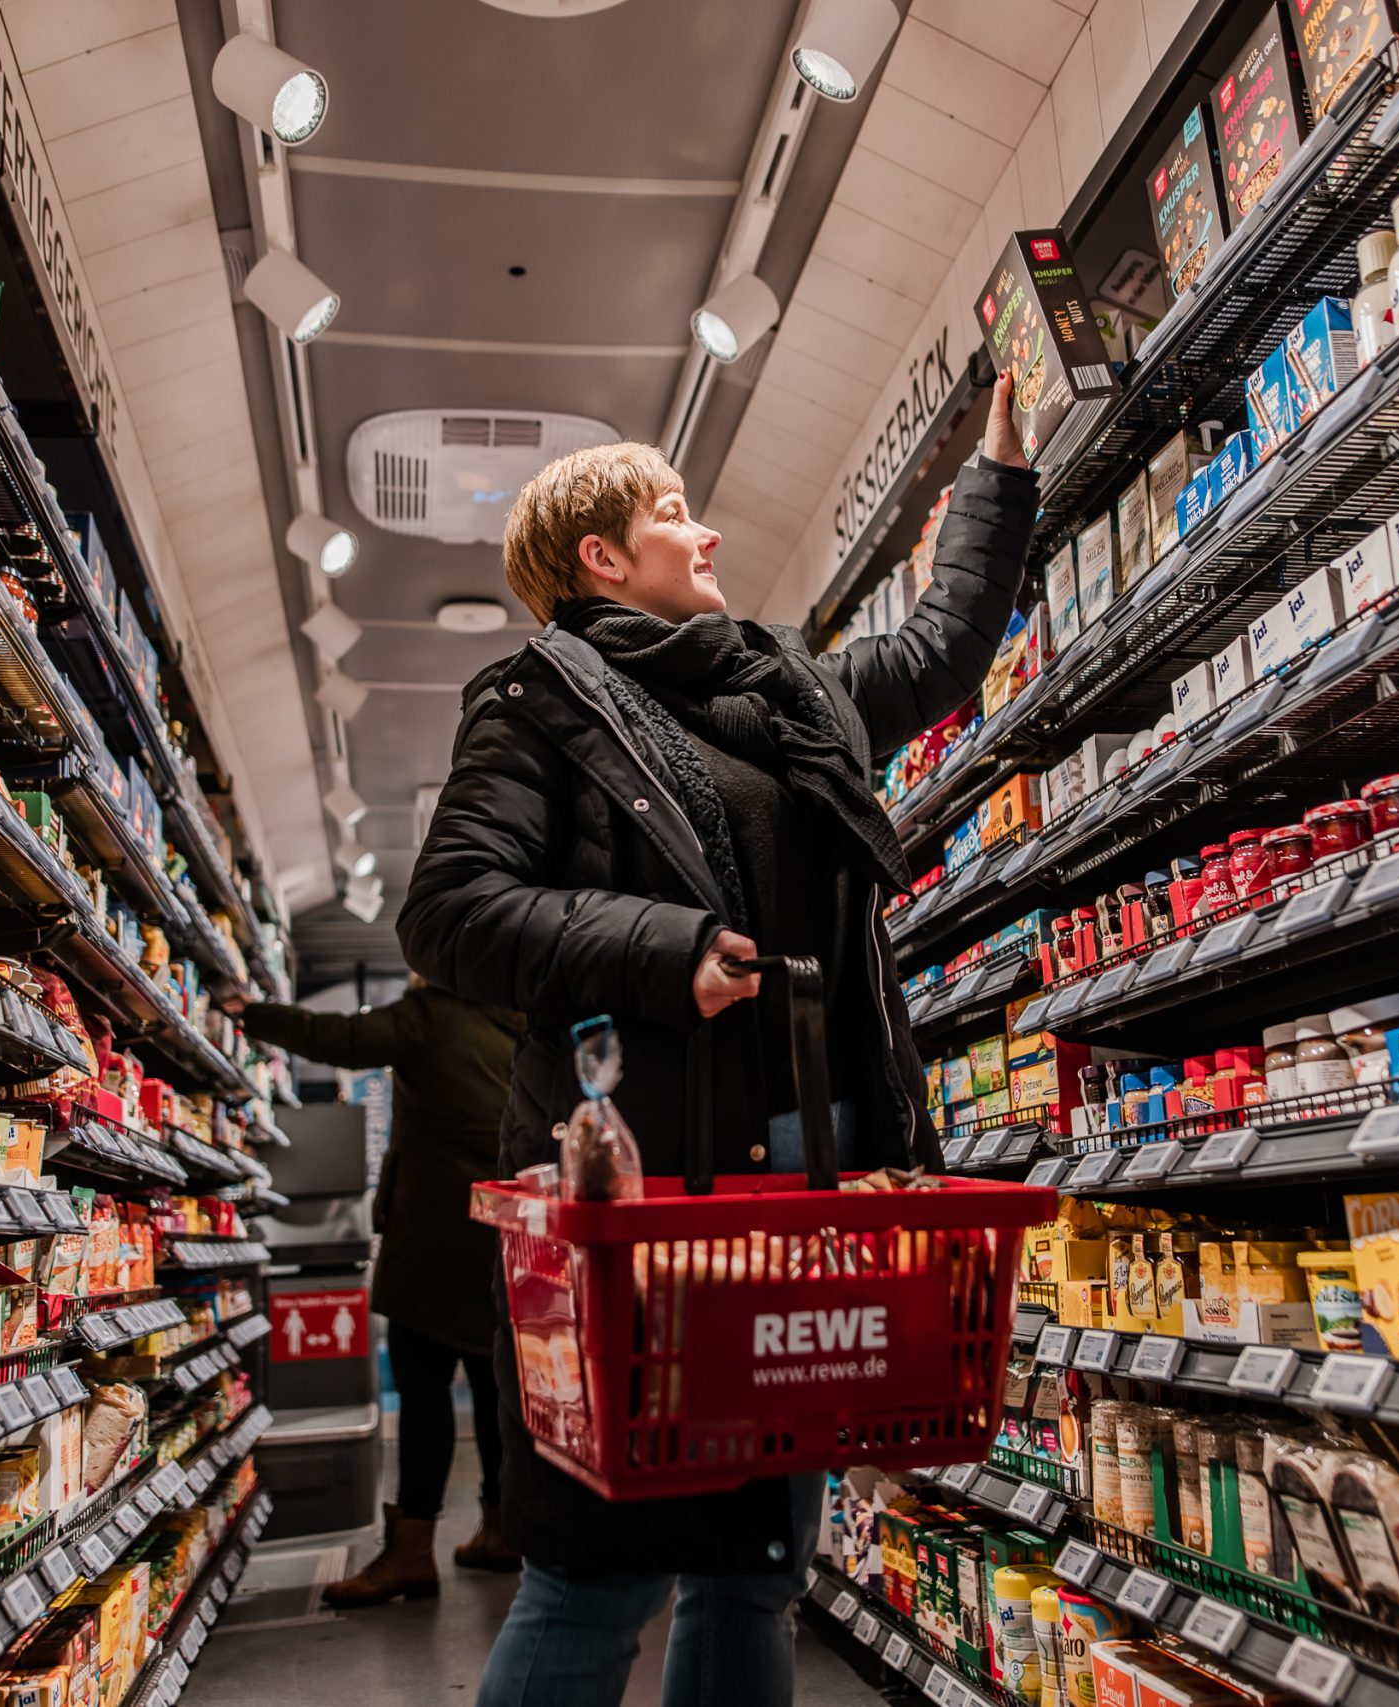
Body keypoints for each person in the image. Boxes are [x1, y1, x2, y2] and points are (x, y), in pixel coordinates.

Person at [396, 372, 1035, 1706]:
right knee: (595, 1577)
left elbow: (937, 649)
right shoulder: (533, 703)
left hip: (793, 1194)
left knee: (756, 1567)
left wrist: (1000, 477)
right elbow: (452, 913)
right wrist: (660, 946)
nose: (712, 536)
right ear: (603, 556)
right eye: (677, 514)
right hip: (636, 1202)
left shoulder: (783, 697)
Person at [236, 976, 527, 1604]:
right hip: (500, 1225)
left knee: (423, 1388)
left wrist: (251, 1013)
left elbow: (341, 1038)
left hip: (435, 1230)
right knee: (492, 1381)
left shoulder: (431, 1012)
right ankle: (503, 1531)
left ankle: (410, 1552)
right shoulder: (518, 1015)